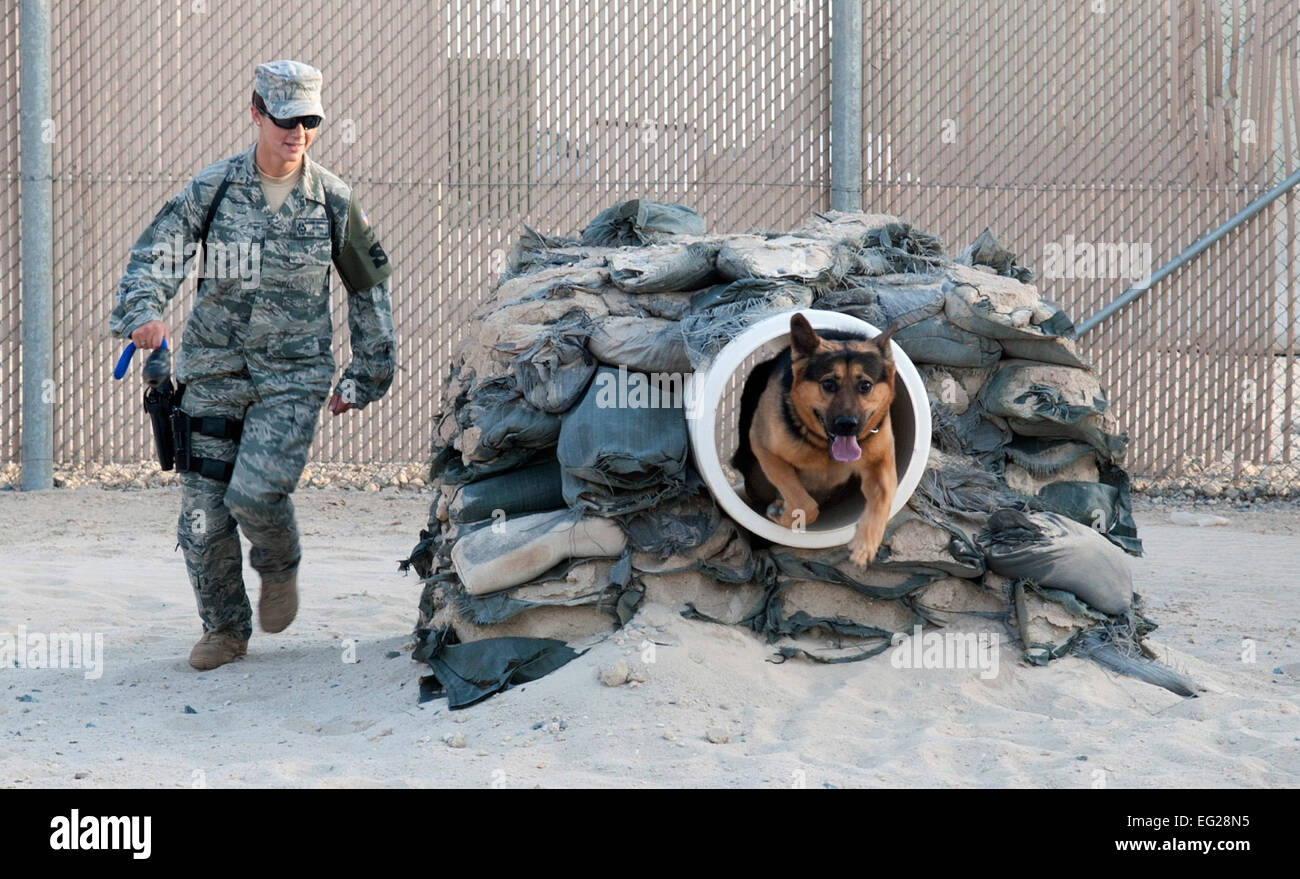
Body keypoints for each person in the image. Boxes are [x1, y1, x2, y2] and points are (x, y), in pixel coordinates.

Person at [109, 60, 396, 670]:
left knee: (256, 495)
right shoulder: (211, 189)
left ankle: (278, 564)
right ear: (257, 113)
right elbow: (154, 259)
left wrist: (365, 374)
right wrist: (145, 313)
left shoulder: (334, 202)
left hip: (293, 377)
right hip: (213, 372)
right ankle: (225, 629)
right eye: (286, 119)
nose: (298, 132)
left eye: (310, 121)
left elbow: (369, 291)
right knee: (201, 516)